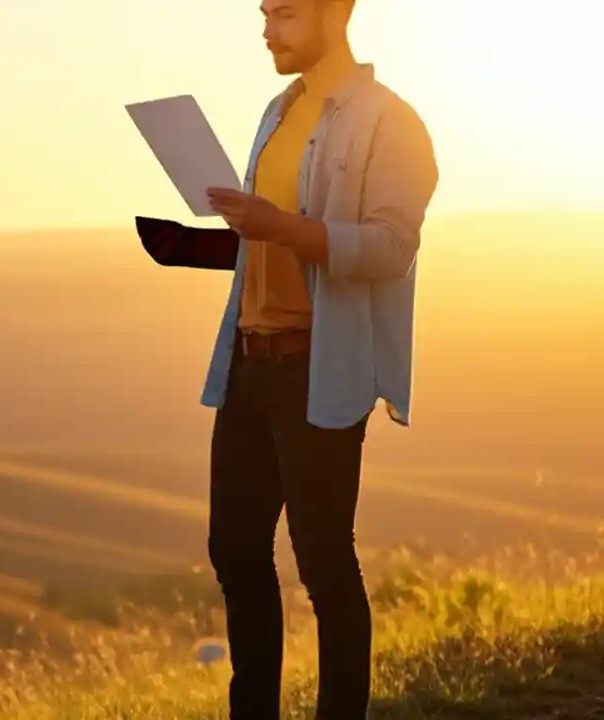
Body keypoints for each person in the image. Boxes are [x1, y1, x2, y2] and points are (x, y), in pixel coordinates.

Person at [192, 0, 438, 717]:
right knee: (234, 551)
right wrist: (206, 242)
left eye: (287, 13)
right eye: (265, 12)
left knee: (325, 565)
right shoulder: (275, 113)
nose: (268, 27)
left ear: (337, 12)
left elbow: (392, 246)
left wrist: (283, 227)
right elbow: (267, 239)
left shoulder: (389, 121)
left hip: (317, 366)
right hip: (248, 360)